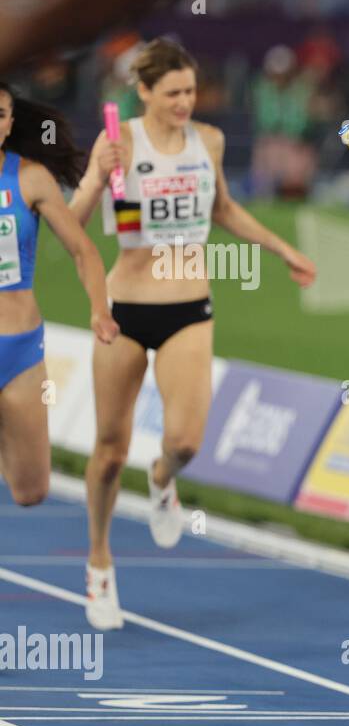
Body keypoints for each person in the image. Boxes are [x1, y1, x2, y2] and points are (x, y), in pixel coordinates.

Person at [68, 38, 316, 630]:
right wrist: (97, 182)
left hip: (189, 306)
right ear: (144, 90)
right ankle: (99, 563)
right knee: (107, 452)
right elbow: (70, 225)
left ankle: (162, 482)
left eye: (190, 91)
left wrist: (282, 249)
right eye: (172, 92)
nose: (184, 101)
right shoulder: (118, 141)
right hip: (124, 307)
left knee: (183, 443)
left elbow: (225, 210)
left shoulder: (210, 141)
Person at [0, 82, 117, 511]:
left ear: (11, 124)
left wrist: (100, 310)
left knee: (31, 491)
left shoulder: (30, 178)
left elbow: (83, 251)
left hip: (20, 349)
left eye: (0, 115)